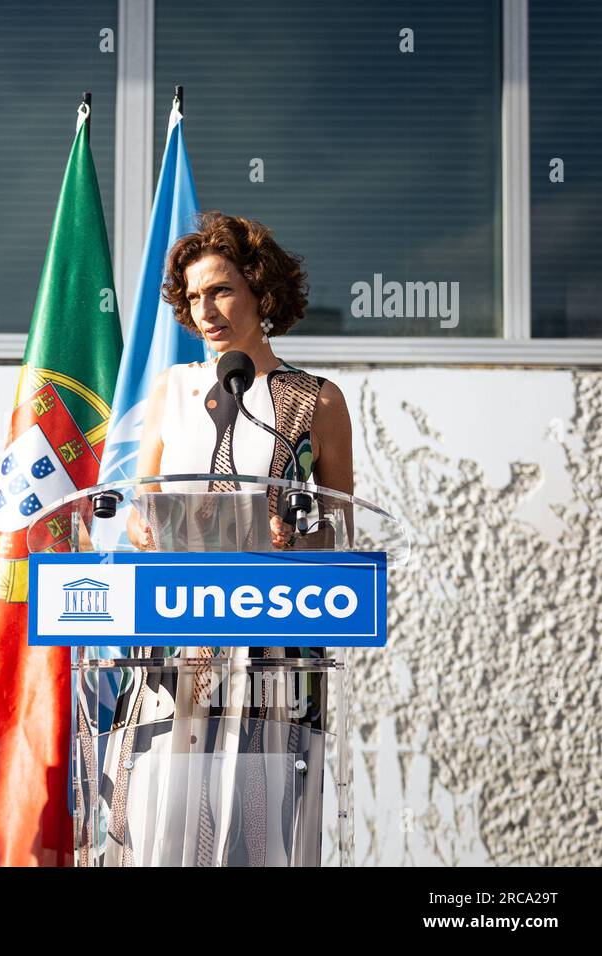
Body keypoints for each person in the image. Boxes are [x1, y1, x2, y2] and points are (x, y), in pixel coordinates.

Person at [105, 212, 354, 865]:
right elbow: (143, 501)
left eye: (220, 290)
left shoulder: (315, 400)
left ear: (260, 290)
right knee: (168, 817)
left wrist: (297, 537)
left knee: (260, 826)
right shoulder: (174, 388)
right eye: (192, 297)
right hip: (174, 635)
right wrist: (142, 522)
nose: (205, 309)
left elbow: (343, 528)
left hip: (271, 641)